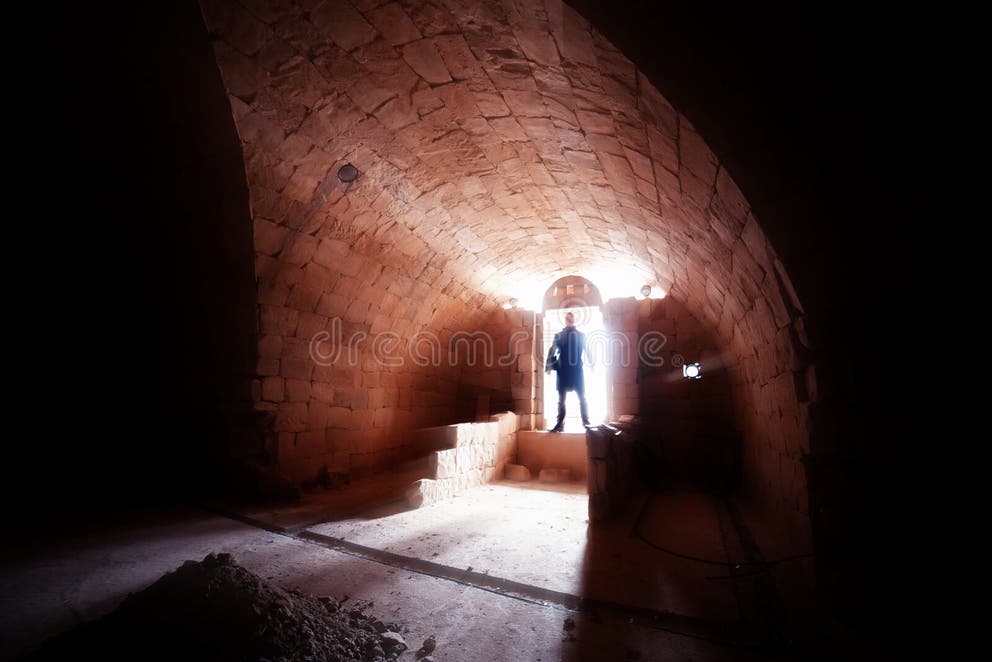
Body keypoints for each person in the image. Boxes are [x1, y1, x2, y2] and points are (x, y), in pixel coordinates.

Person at [545, 311, 589, 432]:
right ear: (565, 320)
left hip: (576, 371)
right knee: (561, 399)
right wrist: (548, 365)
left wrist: (591, 362)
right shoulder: (559, 335)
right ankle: (560, 423)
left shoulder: (581, 335)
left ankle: (586, 423)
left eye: (571, 318)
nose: (569, 320)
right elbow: (552, 349)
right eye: (567, 318)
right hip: (563, 370)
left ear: (573, 320)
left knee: (582, 397)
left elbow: (587, 349)